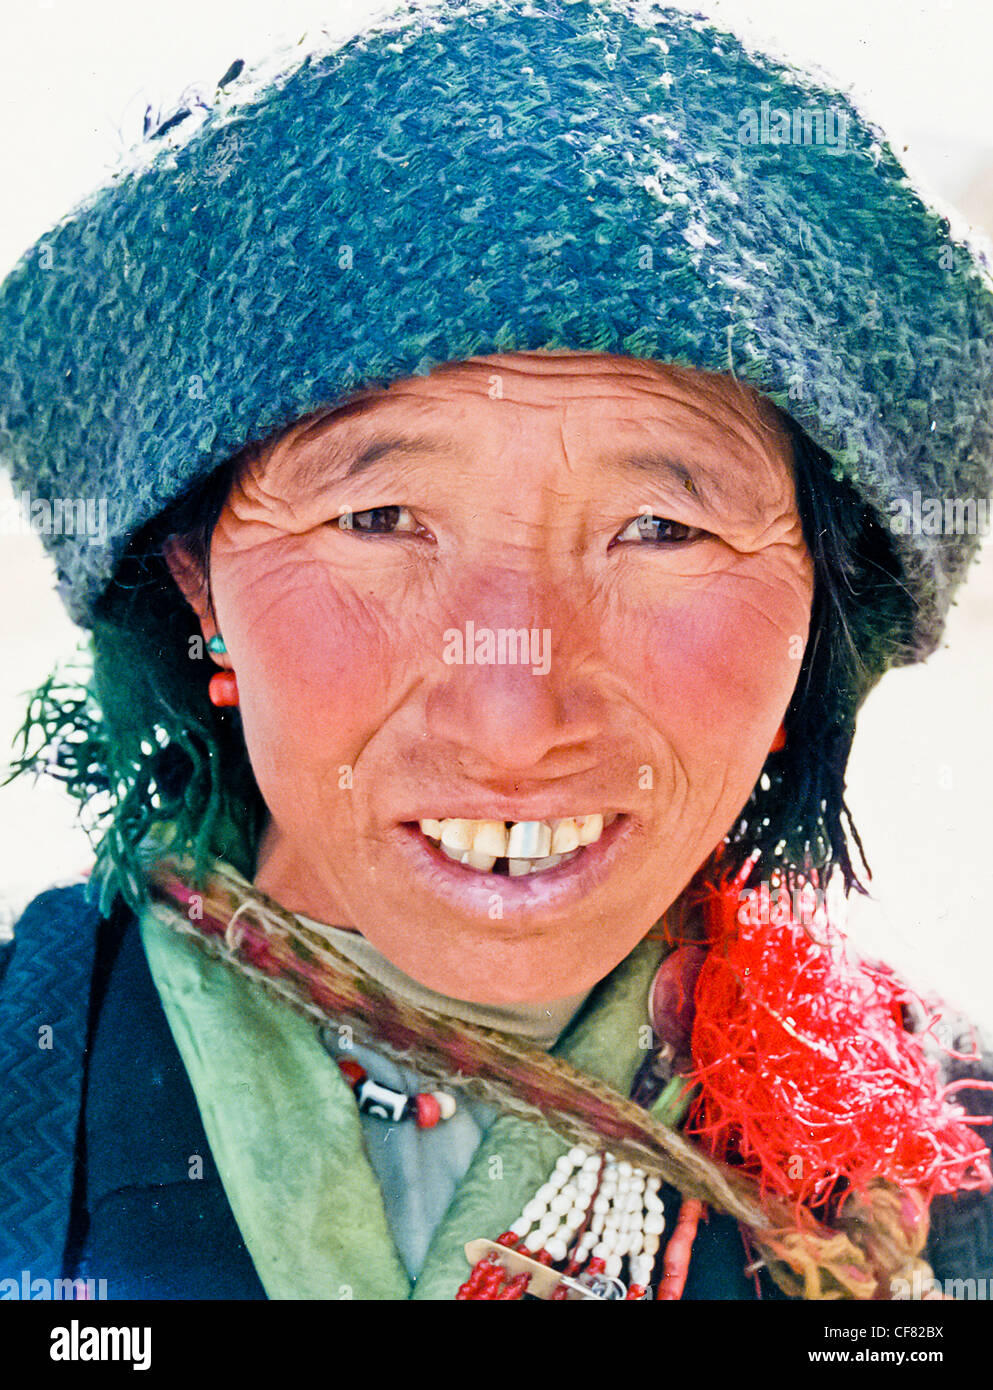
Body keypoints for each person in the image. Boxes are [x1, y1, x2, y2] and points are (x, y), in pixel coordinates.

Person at [1, 0, 992, 1301]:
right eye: (378, 518)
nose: (515, 723)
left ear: (819, 606)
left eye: (658, 527)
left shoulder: (938, 1179)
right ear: (197, 581)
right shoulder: (39, 1074)